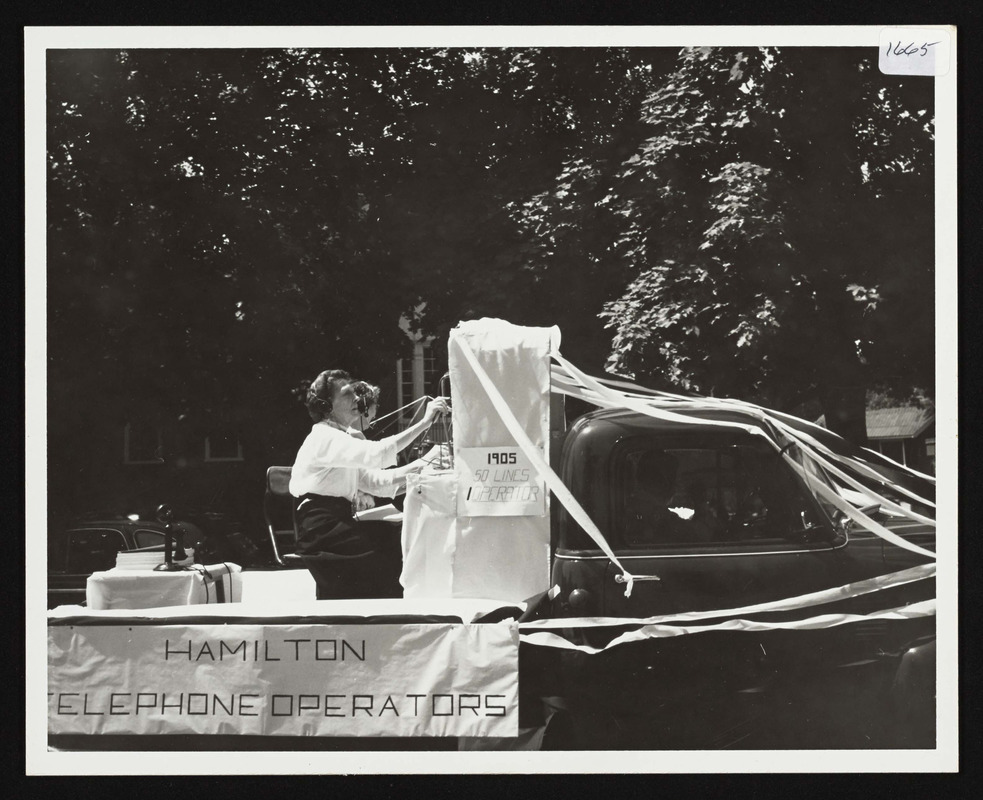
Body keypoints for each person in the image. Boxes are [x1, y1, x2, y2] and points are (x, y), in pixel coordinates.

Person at [289, 369, 450, 599]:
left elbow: (377, 483)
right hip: (321, 530)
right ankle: (387, 616)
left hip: (331, 524)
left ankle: (386, 613)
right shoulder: (324, 436)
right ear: (327, 405)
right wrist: (425, 423)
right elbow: (378, 454)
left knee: (395, 538)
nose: (356, 399)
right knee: (390, 548)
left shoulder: (340, 438)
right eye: (346, 394)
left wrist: (426, 463)